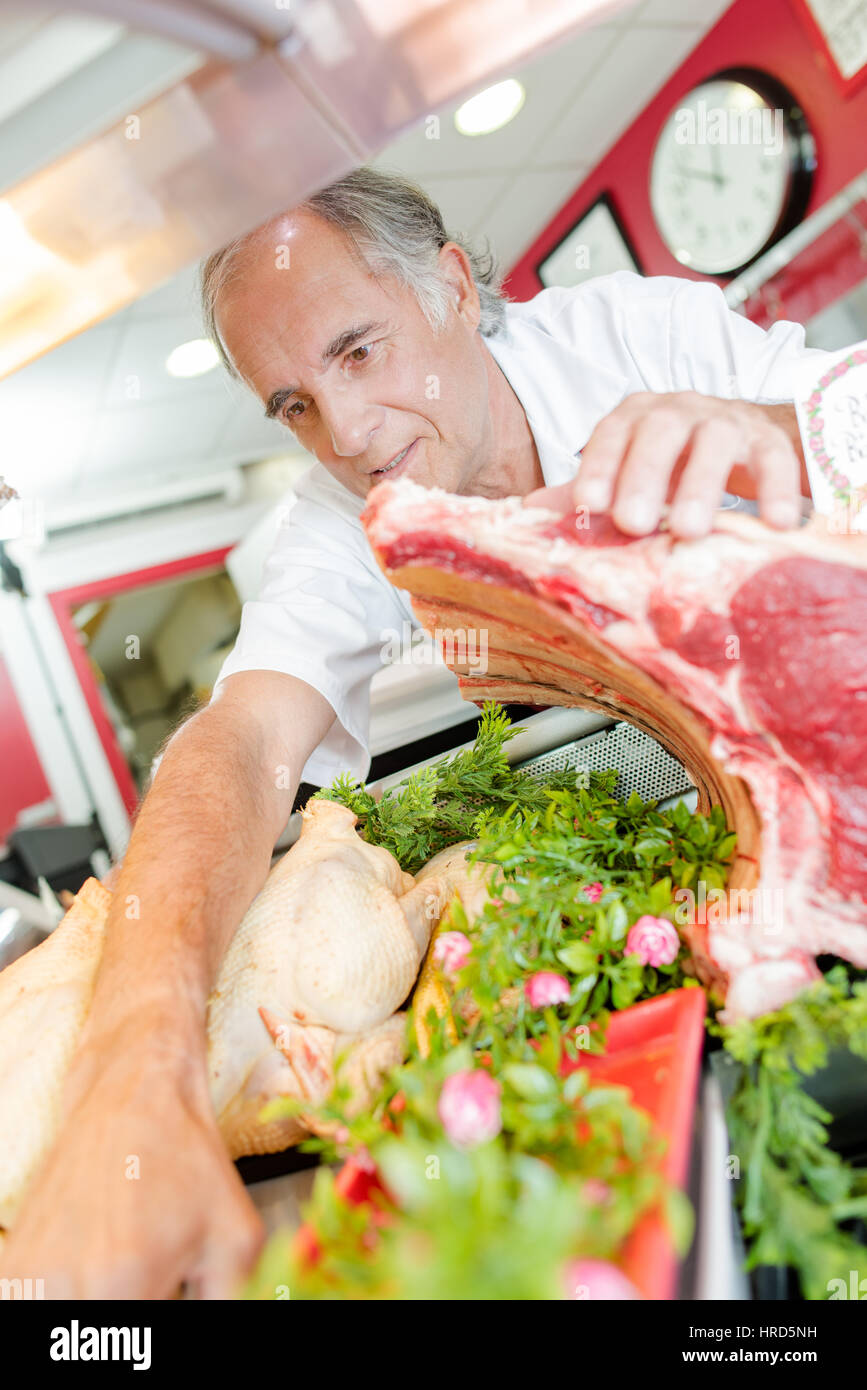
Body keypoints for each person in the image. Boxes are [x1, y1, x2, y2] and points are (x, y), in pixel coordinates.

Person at [0, 167, 824, 1298]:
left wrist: (766, 428)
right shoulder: (341, 523)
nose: (342, 430)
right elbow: (238, 744)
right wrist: (135, 1077)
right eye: (292, 402)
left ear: (447, 287)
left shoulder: (642, 334)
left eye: (356, 350)